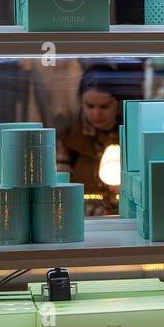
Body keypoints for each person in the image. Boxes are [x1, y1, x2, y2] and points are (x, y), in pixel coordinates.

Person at [58, 63, 129, 215]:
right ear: (81, 102)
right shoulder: (67, 140)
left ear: (117, 103)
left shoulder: (131, 137)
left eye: (104, 106)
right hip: (84, 224)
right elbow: (59, 195)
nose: (96, 114)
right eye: (89, 106)